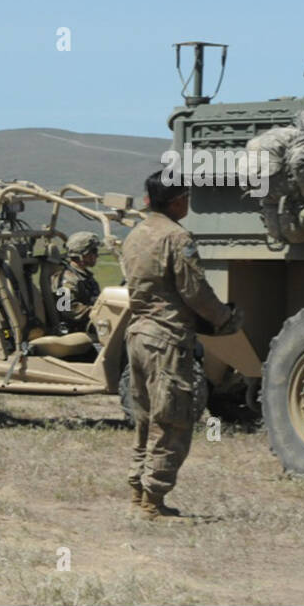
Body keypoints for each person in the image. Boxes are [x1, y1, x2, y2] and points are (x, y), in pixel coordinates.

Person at [120, 170, 242, 520]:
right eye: (186, 197)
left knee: (145, 419)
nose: (188, 202)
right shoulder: (176, 237)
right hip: (166, 339)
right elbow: (195, 291)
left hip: (138, 335)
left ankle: (137, 488)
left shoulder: (135, 235)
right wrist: (223, 319)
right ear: (176, 201)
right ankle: (153, 500)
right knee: (172, 419)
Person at [52, 231, 101, 333]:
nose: (97, 255)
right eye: (93, 251)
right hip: (78, 328)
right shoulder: (67, 279)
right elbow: (65, 307)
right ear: (81, 255)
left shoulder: (84, 275)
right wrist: (96, 312)